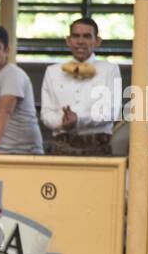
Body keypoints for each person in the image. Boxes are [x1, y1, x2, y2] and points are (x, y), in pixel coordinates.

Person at [39, 17, 122, 156]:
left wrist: (79, 120)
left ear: (97, 41)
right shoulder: (53, 71)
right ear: (68, 41)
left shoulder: (110, 69)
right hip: (61, 143)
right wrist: (63, 122)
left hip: (99, 144)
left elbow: (111, 112)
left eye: (87, 36)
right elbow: (46, 113)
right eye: (76, 36)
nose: (81, 41)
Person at [0, 25, 42, 155]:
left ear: (7, 50)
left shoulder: (12, 73)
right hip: (3, 153)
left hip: (22, 155)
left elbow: (5, 111)